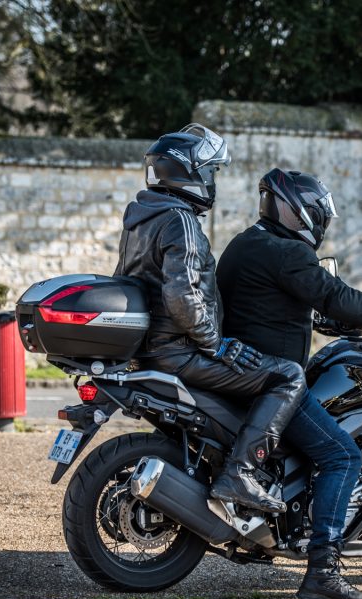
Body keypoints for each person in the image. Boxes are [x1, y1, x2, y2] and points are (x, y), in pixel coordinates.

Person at [216, 168, 362, 599]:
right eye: (317, 214)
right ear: (299, 212)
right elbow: (337, 296)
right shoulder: (288, 253)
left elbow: (276, 305)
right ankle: (323, 571)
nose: (321, 222)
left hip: (239, 372)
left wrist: (327, 320)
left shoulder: (247, 243)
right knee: (341, 454)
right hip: (270, 383)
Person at [115, 127, 305, 514]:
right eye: (210, 171)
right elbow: (183, 296)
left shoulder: (140, 218)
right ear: (189, 173)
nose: (211, 180)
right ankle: (242, 473)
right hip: (181, 352)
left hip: (152, 350)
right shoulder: (179, 221)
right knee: (288, 375)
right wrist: (216, 344)